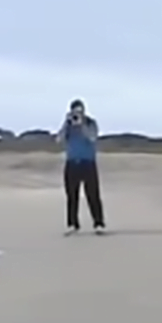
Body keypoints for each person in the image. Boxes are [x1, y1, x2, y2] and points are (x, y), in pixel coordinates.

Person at [56, 99, 106, 235]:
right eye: (75, 111)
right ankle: (72, 224)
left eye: (80, 111)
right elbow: (58, 139)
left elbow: (92, 137)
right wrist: (66, 124)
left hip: (88, 163)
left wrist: (82, 124)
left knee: (93, 194)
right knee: (72, 195)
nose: (77, 114)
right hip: (72, 163)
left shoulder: (91, 123)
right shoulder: (69, 124)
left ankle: (98, 223)